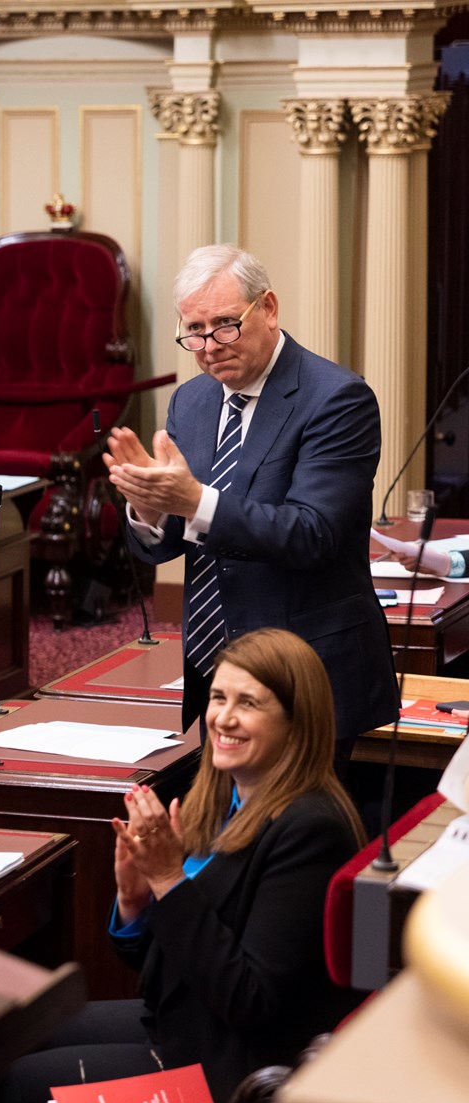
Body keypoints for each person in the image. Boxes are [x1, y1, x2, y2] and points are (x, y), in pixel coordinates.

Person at [0, 627, 365, 1103]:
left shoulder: (312, 830)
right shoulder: (222, 799)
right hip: (184, 1025)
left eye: (247, 704)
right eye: (218, 698)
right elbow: (163, 968)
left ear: (297, 723)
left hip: (232, 1068)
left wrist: (169, 880)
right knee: (5, 1035)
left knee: (0, 1088)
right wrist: (136, 900)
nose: (223, 719)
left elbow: (251, 1002)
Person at [103, 244, 395, 748]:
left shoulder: (336, 398)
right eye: (193, 331)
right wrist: (149, 508)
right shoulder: (191, 400)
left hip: (307, 671)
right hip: (213, 666)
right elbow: (174, 539)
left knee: (300, 826)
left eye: (224, 324)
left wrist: (194, 501)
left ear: (268, 308)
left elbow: (312, 533)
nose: (210, 345)